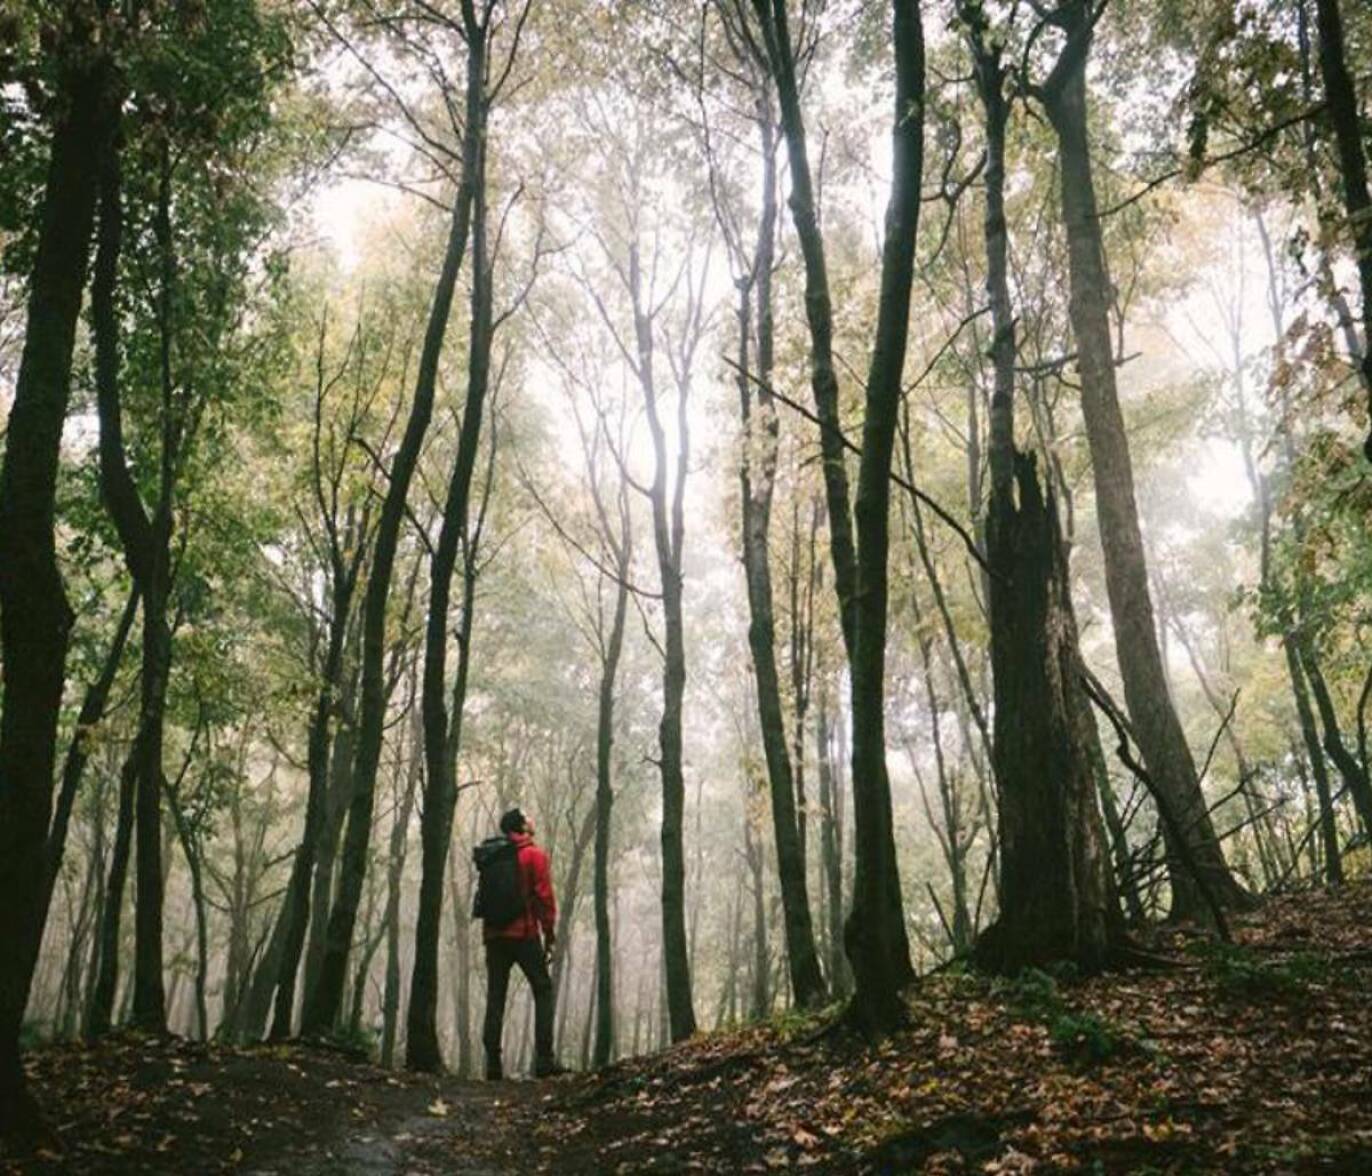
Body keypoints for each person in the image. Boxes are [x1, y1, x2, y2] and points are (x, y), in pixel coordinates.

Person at [480, 807, 565, 1079]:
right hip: (524, 935)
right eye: (528, 816)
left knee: (496, 996)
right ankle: (544, 1060)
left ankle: (493, 1064)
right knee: (542, 989)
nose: (533, 818)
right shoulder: (534, 855)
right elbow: (544, 897)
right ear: (521, 826)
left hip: (494, 936)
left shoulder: (492, 857)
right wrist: (549, 933)